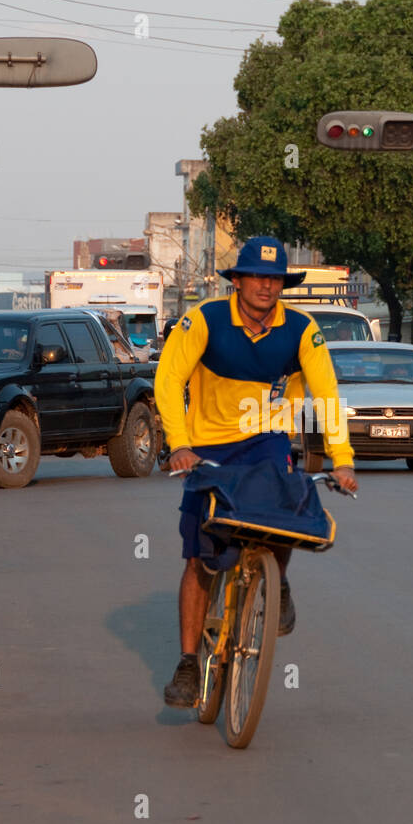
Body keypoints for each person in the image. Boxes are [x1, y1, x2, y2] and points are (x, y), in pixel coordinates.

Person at [156, 236, 358, 707]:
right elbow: (168, 379)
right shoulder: (203, 320)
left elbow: (326, 393)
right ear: (238, 281)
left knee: (288, 504)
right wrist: (178, 444)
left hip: (267, 440)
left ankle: (277, 579)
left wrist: (342, 459)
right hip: (207, 445)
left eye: (275, 279)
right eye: (257, 277)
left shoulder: (303, 330)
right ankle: (188, 664)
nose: (266, 286)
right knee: (199, 558)